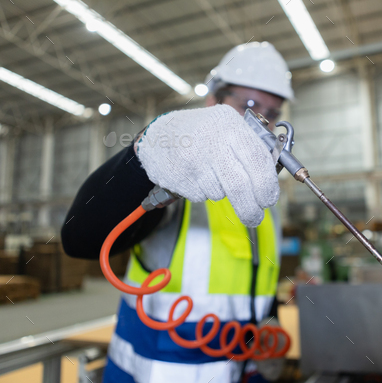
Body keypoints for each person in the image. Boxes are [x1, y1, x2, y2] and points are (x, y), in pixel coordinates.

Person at [61, 41, 294, 383]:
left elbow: (257, 276)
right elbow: (80, 237)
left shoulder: (263, 196)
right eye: (248, 105)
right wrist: (145, 161)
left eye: (271, 113)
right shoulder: (176, 184)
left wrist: (267, 329)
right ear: (213, 101)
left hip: (241, 368)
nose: (262, 122)